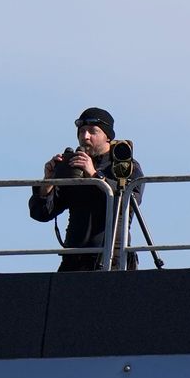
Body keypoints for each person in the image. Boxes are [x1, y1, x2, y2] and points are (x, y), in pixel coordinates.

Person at [29, 107, 144, 272]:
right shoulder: (73, 167)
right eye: (81, 131)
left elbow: (130, 202)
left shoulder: (123, 166)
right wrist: (48, 182)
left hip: (114, 260)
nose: (85, 137)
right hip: (74, 260)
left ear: (108, 137)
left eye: (92, 131)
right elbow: (41, 213)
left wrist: (95, 175)